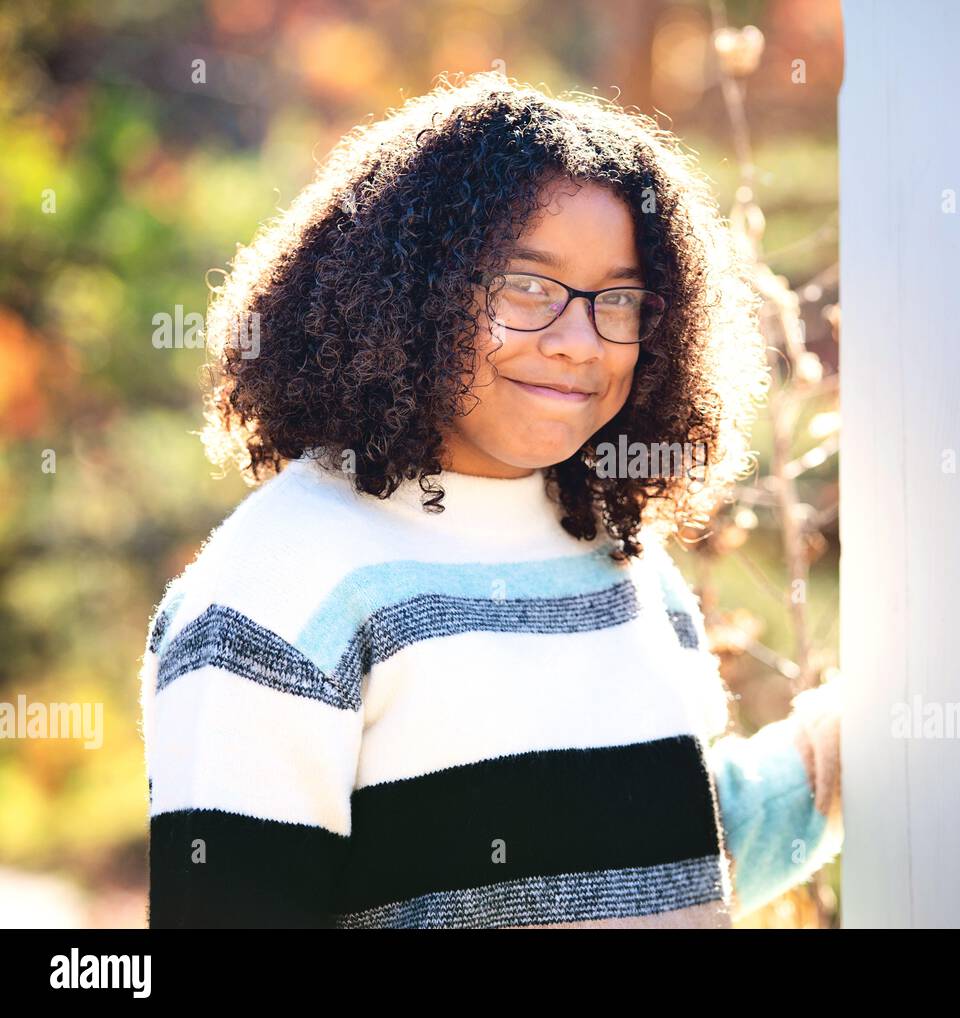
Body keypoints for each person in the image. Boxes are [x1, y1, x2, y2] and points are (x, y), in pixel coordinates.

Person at [139, 73, 843, 929]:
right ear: (407, 294)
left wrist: (863, 732)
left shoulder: (621, 558)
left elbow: (674, 864)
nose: (580, 343)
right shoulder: (279, 592)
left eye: (618, 299)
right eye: (527, 287)